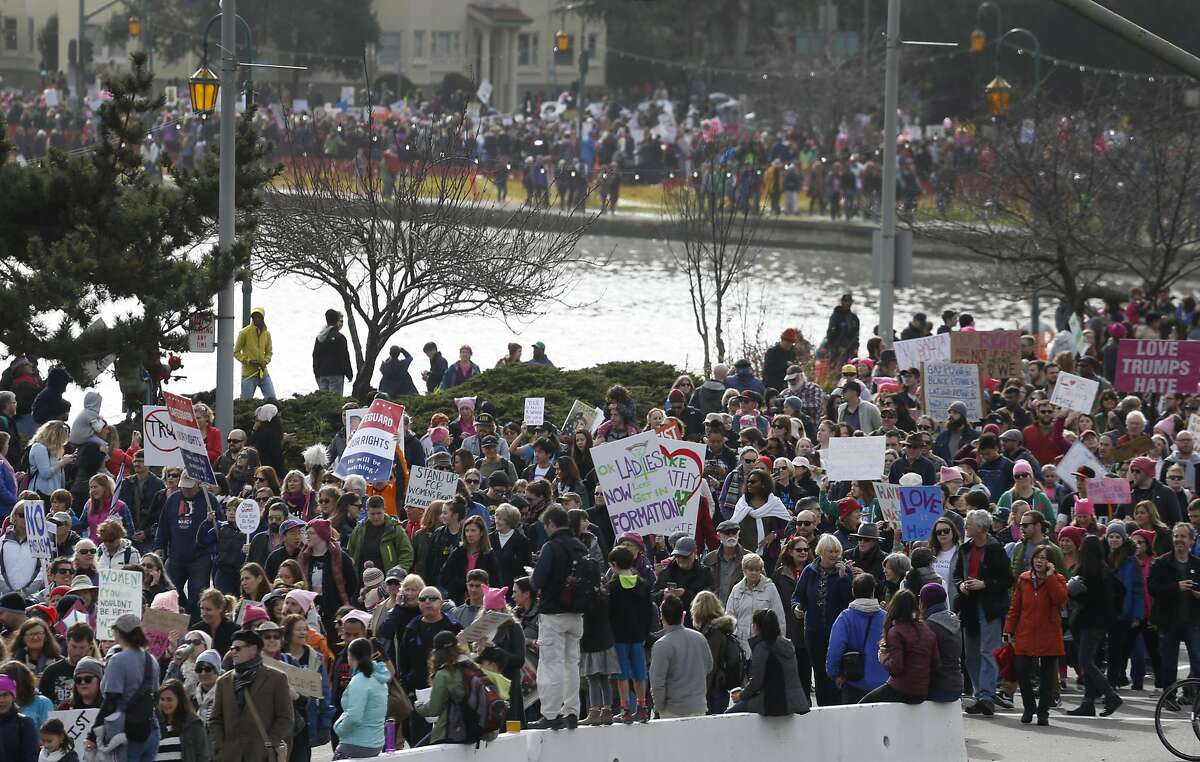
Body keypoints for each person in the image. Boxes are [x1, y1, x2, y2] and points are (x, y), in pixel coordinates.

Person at [529, 506, 590, 730]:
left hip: (553, 613)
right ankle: (572, 711)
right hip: (577, 614)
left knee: (550, 664)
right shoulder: (581, 546)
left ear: (551, 524)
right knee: (571, 664)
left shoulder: (551, 547)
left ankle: (551, 714)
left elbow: (537, 581)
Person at [955, 508, 1014, 716]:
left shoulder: (995, 549)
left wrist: (985, 584)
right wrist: (961, 585)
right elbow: (956, 575)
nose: (965, 527)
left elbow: (1008, 579)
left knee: (988, 651)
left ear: (981, 528)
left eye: (968, 524)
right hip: (969, 605)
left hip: (989, 607)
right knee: (970, 654)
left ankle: (987, 696)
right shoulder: (965, 549)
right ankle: (981, 694)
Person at [1003, 545, 1068, 725]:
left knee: (1047, 678)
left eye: (1044, 558)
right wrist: (1008, 629)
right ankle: (1029, 707)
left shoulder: (1058, 579)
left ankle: (1043, 712)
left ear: (1051, 562)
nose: (1039, 561)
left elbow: (1060, 600)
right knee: (1022, 672)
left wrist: (1049, 579)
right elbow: (1015, 608)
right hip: (1025, 633)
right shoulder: (1024, 579)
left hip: (1049, 633)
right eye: (1037, 557)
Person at [209, 629, 294, 762]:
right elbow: (215, 719)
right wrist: (220, 746)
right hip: (230, 756)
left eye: (237, 648)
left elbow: (286, 717)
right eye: (232, 648)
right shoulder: (223, 682)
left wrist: (268, 745)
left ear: (253, 650)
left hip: (262, 756)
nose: (233, 652)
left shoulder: (276, 678)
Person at [85, 614, 161, 762]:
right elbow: (156, 696)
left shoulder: (118, 660)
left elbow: (111, 702)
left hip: (127, 733)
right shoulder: (152, 660)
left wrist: (92, 736)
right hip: (151, 730)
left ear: (118, 633)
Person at [793, 533, 855, 707]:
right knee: (819, 672)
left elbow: (849, 600)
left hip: (838, 631)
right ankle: (823, 707)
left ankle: (838, 706)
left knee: (836, 671)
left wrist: (844, 578)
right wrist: (797, 607)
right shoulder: (809, 571)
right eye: (831, 551)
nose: (835, 555)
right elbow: (798, 596)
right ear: (821, 552)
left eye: (837, 551)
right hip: (814, 631)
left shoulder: (845, 572)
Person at [1066, 535, 1124, 717]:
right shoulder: (1104, 569)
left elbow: (1085, 597)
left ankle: (1110, 695)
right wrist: (1113, 611)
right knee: (1091, 660)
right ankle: (1088, 702)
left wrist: (1073, 592)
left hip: (1088, 622)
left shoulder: (1087, 570)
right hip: (1100, 622)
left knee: (1085, 661)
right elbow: (1121, 590)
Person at [1148, 522, 1200, 694]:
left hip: (1192, 621)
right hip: (1168, 621)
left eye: (1183, 536)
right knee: (1169, 664)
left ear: (1192, 540)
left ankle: (1191, 694)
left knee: (1197, 660)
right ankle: (1169, 696)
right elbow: (1152, 589)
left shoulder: (1197, 564)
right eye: (1176, 536)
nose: (1179, 540)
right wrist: (1175, 587)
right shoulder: (1161, 563)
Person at [860, 590, 938, 704]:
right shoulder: (926, 630)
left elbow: (897, 667)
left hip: (901, 688)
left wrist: (884, 659)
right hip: (922, 690)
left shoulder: (896, 632)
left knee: (863, 705)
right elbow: (935, 663)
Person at [727, 609, 810, 715]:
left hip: (772, 702)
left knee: (729, 713)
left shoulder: (762, 648)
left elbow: (757, 682)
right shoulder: (787, 645)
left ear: (756, 626)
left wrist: (740, 695)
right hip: (795, 702)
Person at [605, 546, 653, 723]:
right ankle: (642, 707)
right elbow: (649, 612)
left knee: (622, 675)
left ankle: (625, 709)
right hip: (638, 636)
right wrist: (645, 633)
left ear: (615, 565)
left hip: (618, 637)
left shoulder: (612, 587)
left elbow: (608, 614)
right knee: (640, 673)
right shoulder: (643, 585)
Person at [826, 573, 887, 704]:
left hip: (854, 681)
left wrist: (834, 674)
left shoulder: (845, 617)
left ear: (853, 591)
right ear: (873, 591)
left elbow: (835, 649)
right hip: (883, 682)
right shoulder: (886, 617)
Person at [649, 595, 712, 718]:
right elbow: (709, 667)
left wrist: (660, 708)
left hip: (672, 710)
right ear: (683, 615)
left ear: (662, 617)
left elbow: (657, 683)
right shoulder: (699, 638)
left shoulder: (661, 645)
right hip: (698, 706)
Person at [332, 637, 389, 759]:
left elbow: (354, 717)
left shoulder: (359, 681)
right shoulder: (380, 679)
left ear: (350, 656)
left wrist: (339, 728)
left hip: (355, 743)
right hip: (376, 743)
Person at [725, 553, 786, 660]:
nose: (754, 573)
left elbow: (779, 617)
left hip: (764, 644)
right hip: (741, 645)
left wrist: (780, 644)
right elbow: (729, 616)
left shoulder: (770, 588)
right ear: (744, 570)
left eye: (757, 570)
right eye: (751, 569)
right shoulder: (737, 589)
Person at [412, 630, 468, 745]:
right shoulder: (471, 665)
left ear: (436, 652)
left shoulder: (443, 674)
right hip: (474, 724)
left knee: (418, 750)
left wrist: (418, 705)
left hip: (453, 728)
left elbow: (434, 709)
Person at [918, 583, 964, 703]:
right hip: (956, 684)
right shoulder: (954, 621)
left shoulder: (929, 626)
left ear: (924, 602)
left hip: (938, 687)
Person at [157, 677, 211, 762]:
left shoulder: (193, 724)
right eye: (162, 699)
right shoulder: (154, 724)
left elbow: (203, 756)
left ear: (179, 700)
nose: (165, 703)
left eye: (169, 700)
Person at [235, 307, 275, 400]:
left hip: (263, 373)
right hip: (248, 375)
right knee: (246, 402)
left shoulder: (266, 334)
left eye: (258, 317)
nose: (256, 319)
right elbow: (236, 352)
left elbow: (269, 352)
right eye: (254, 317)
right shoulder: (244, 333)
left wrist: (265, 361)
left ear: (262, 318)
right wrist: (248, 361)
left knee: (272, 398)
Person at [313, 309, 354, 394]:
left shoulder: (319, 338)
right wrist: (349, 373)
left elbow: (315, 356)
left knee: (325, 401)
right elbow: (344, 357)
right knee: (335, 401)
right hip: (336, 373)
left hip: (322, 373)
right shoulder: (340, 337)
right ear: (336, 320)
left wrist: (316, 373)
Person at [0, 674, 37, 762]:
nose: (1, 700)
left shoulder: (24, 723)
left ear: (13, 697)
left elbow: (30, 757)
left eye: (5, 695)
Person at [825, 293, 860, 368]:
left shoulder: (854, 318)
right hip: (836, 349)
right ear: (842, 302)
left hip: (850, 349)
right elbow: (830, 334)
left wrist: (855, 348)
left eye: (849, 301)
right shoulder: (836, 316)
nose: (847, 303)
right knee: (835, 368)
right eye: (845, 301)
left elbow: (856, 335)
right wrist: (837, 347)